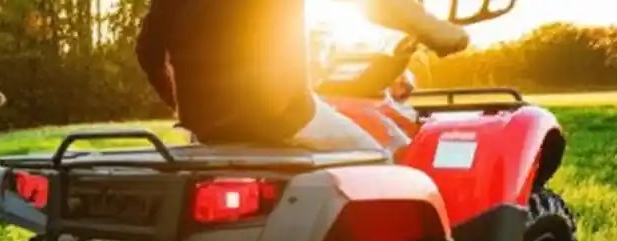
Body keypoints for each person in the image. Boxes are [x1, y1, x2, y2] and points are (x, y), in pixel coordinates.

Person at [136, 0, 471, 151]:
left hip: (208, 131)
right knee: (392, 164)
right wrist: (441, 32)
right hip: (284, 116)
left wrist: (189, 110)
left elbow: (148, 52)